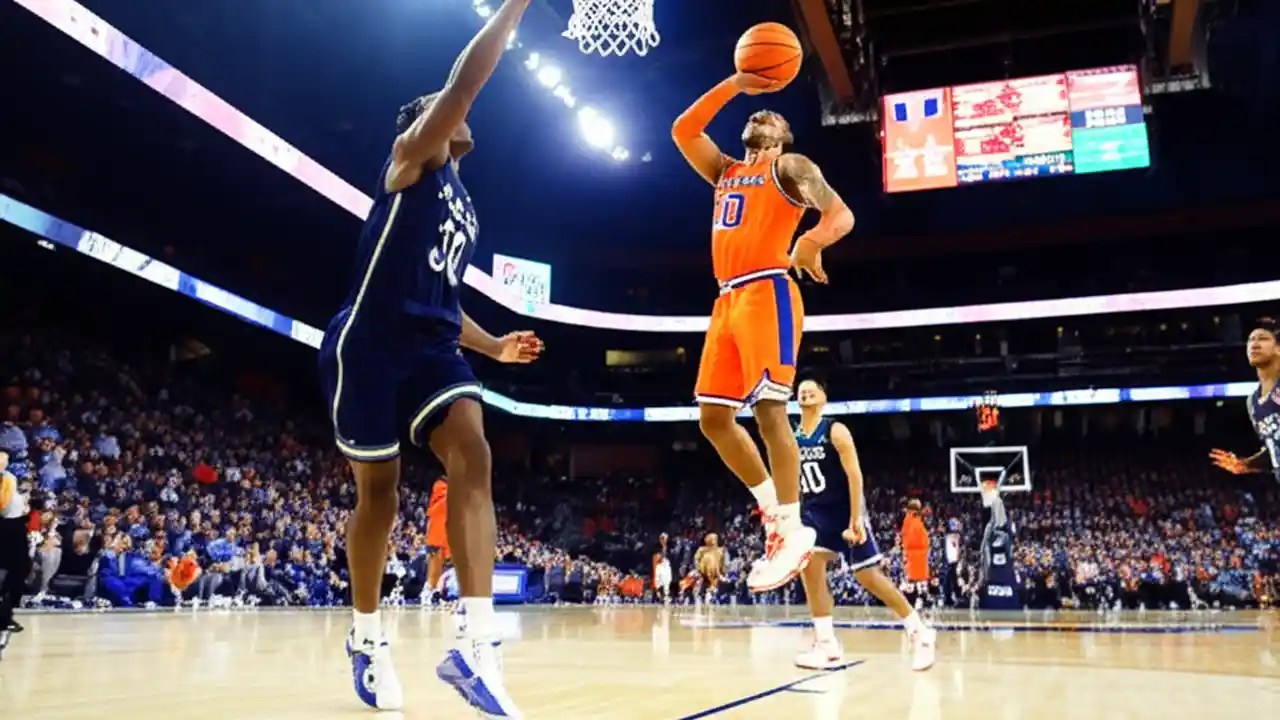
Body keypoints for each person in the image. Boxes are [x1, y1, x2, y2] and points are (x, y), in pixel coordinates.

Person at [315, 1, 541, 714]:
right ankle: (367, 637)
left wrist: (494, 344)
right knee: (377, 497)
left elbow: (444, 300)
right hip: (371, 344)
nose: (457, 116)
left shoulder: (464, 206)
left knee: (474, 455)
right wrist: (514, 10)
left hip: (434, 346)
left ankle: (474, 645)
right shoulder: (413, 161)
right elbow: (465, 84)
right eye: (442, 110)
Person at [671, 72, 855, 593]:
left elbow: (841, 215)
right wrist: (735, 82)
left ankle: (795, 527)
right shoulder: (726, 170)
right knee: (712, 418)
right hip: (726, 299)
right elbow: (684, 129)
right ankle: (775, 514)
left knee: (770, 409)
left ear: (781, 136)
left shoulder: (790, 167)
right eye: (756, 112)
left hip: (767, 290)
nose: (760, 114)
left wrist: (811, 243)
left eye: (770, 115)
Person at [791, 379, 936, 671]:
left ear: (823, 397)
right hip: (815, 511)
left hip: (845, 510)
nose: (806, 392)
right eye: (801, 390)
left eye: (813, 389)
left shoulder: (835, 429)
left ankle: (919, 633)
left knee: (868, 576)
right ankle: (826, 644)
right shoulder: (792, 435)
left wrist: (856, 517)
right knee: (810, 567)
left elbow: (855, 475)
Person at [1211, 322, 1280, 484]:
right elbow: (1273, 447)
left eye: (1263, 339)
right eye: (1251, 340)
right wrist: (1245, 464)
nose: (1255, 344)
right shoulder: (1253, 402)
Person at [0, 451, 31, 636]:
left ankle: (5, 614)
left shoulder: (10, 478)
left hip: (12, 526)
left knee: (19, 569)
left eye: (4, 460)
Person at [901, 499, 930, 608]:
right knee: (916, 578)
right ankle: (917, 598)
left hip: (916, 552)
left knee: (916, 577)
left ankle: (918, 598)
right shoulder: (912, 520)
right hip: (915, 552)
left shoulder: (912, 519)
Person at [425, 475, 450, 605]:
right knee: (434, 570)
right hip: (436, 537)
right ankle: (428, 593)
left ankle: (436, 593)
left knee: (441, 570)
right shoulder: (442, 490)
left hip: (443, 536)